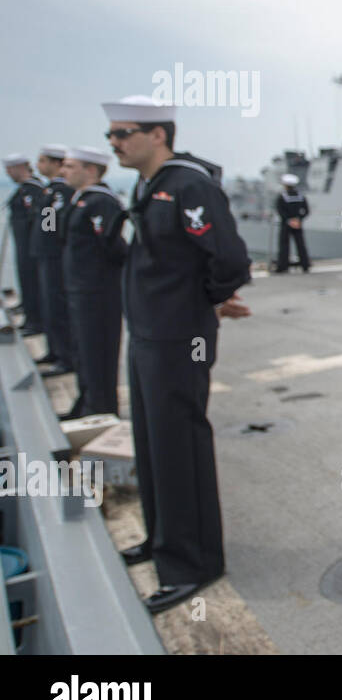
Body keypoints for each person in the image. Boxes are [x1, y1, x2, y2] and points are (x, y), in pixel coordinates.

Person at [105, 95, 252, 615]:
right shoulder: (150, 184)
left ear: (157, 134)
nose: (114, 143)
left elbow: (230, 258)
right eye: (111, 135)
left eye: (122, 134)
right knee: (150, 444)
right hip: (148, 334)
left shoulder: (188, 185)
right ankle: (163, 539)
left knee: (179, 447)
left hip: (177, 338)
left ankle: (193, 564)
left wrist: (209, 300)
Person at [59, 147, 126, 419]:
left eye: (70, 166)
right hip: (79, 289)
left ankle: (101, 410)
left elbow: (114, 247)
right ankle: (86, 401)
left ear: (90, 170)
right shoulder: (81, 200)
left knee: (97, 352)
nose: (63, 171)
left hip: (97, 292)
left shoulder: (102, 202)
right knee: (83, 351)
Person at [31, 144, 76, 376]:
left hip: (55, 256)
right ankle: (55, 350)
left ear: (55, 164)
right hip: (46, 255)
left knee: (57, 305)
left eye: (42, 161)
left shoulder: (60, 191)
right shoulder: (50, 190)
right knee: (49, 304)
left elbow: (52, 226)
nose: (38, 166)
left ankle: (65, 356)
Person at [3, 153, 45, 337]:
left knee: (34, 284)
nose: (7, 173)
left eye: (9, 169)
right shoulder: (23, 190)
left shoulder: (37, 190)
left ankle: (35, 321)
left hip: (34, 247)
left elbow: (47, 216)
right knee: (26, 282)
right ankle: (29, 314)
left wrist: (48, 239)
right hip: (24, 246)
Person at [274, 173, 311, 273]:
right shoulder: (301, 196)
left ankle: (282, 266)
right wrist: (298, 219)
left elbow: (280, 210)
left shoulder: (282, 197)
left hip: (286, 224)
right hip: (298, 224)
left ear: (285, 185)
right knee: (301, 245)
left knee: (284, 245)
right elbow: (306, 210)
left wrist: (289, 220)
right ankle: (305, 265)